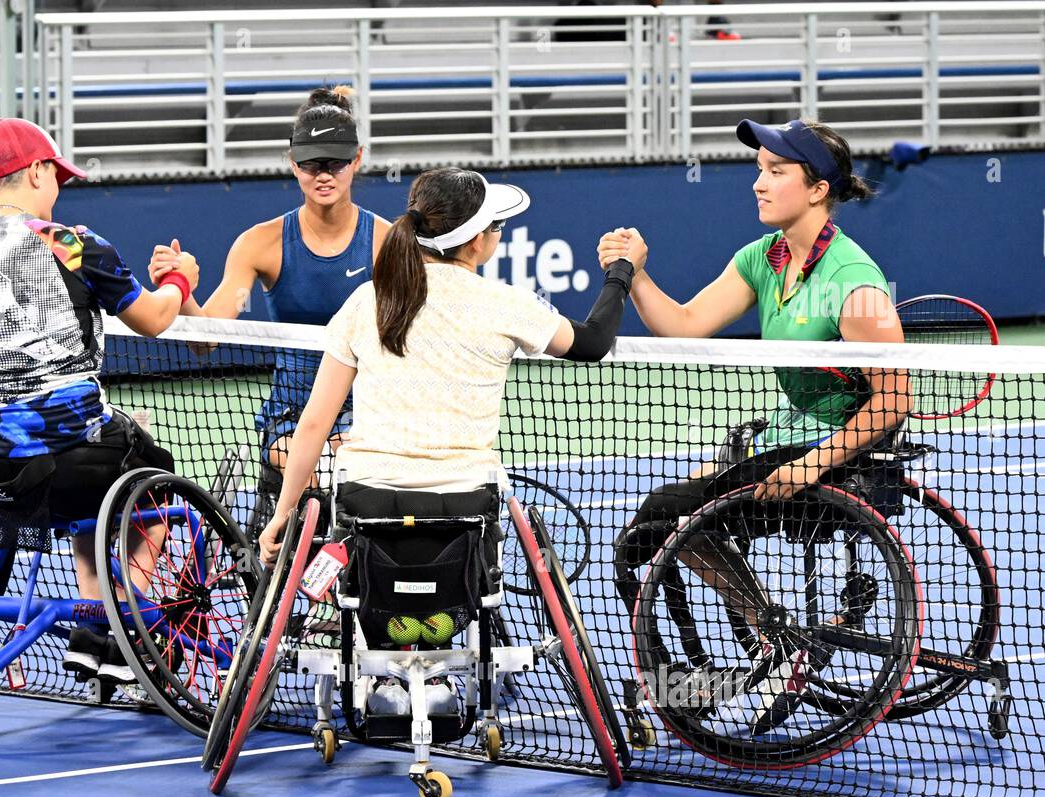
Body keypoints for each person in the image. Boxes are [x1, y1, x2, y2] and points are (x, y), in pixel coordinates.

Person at [257, 166, 644, 716]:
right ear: (479, 240)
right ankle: (432, 659)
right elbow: (593, 342)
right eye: (496, 226)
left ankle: (389, 662)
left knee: (363, 561)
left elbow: (314, 426)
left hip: (367, 508)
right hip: (465, 515)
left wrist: (284, 513)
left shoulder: (367, 302)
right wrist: (620, 273)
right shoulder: (505, 303)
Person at [601, 118, 909, 733]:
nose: (759, 184)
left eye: (776, 172)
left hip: (839, 456)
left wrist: (810, 465)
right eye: (759, 170)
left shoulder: (853, 283)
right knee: (658, 522)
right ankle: (765, 644)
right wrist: (634, 274)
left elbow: (894, 399)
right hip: (784, 439)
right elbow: (684, 326)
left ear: (818, 189)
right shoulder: (764, 259)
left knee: (668, 514)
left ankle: (772, 642)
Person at [0, 117, 201, 686]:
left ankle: (90, 631)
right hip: (78, 456)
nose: (59, 188)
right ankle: (121, 629)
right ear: (37, 172)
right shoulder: (69, 242)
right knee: (153, 484)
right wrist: (180, 281)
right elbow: (153, 320)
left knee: (88, 502)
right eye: (57, 176)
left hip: (0, 464)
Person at [149, 86, 390, 513]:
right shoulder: (260, 245)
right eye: (311, 163)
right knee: (310, 478)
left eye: (335, 162)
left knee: (345, 473)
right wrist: (180, 284)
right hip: (289, 416)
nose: (324, 175)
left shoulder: (386, 243)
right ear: (293, 163)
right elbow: (206, 339)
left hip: (365, 408)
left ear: (357, 159)